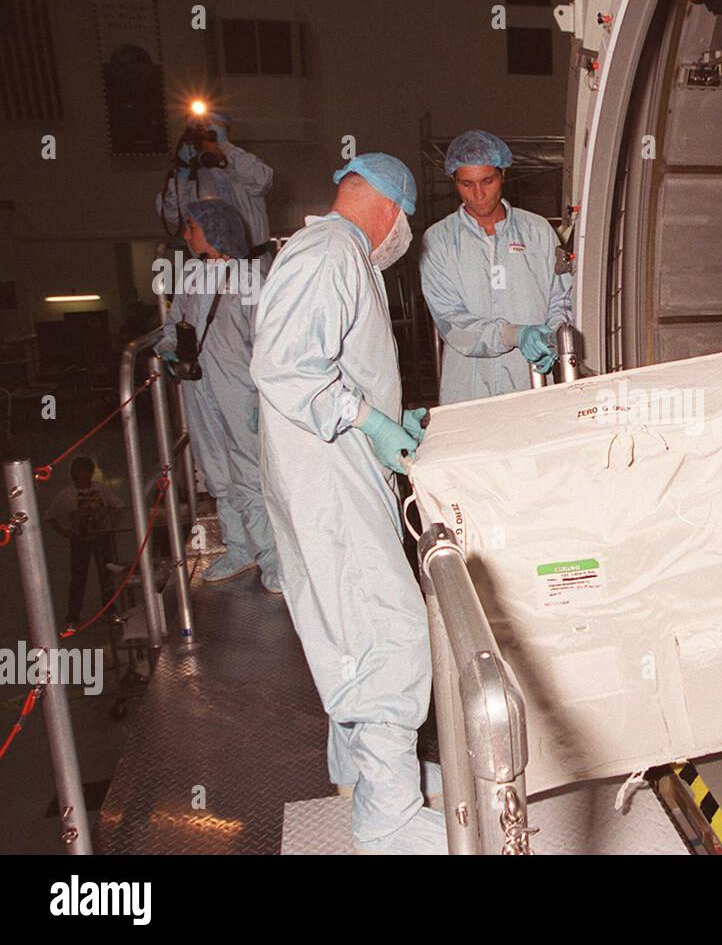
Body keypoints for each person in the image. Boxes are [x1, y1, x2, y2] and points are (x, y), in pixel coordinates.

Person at [250, 153, 445, 854]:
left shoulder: (330, 256)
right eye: (407, 222)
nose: (403, 237)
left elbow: (337, 364)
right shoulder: (331, 251)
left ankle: (369, 774)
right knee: (387, 627)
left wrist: (391, 413)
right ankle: (388, 812)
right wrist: (369, 419)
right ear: (390, 209)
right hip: (328, 474)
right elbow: (286, 364)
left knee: (347, 630)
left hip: (331, 469)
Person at [156, 197, 282, 593]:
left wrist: (264, 397)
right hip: (199, 389)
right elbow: (172, 327)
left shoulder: (250, 278)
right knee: (216, 471)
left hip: (240, 391)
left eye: (192, 227)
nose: (187, 235)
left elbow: (267, 340)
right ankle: (239, 548)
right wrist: (171, 349)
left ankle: (273, 559)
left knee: (250, 473)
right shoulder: (190, 277)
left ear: (213, 231)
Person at [419, 129, 572, 404]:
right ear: (454, 181)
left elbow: (561, 298)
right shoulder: (438, 240)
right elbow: (450, 319)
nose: (478, 194)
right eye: (467, 184)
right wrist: (514, 334)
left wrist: (549, 338)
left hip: (530, 378)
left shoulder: (538, 231)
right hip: (468, 386)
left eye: (487, 181)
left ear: (503, 174)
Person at [156, 109, 273, 266]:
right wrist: (182, 174)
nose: (205, 140)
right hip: (210, 270)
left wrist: (225, 148)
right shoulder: (190, 180)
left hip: (253, 265)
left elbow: (263, 180)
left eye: (210, 133)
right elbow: (171, 214)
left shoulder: (240, 167)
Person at [44, 457, 123, 630]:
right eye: (80, 472)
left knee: (106, 574)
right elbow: (50, 516)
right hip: (79, 540)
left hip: (101, 537)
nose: (84, 476)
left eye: (86, 471)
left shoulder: (101, 489)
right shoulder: (66, 495)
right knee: (78, 578)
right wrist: (64, 532)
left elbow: (118, 506)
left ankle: (109, 609)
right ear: (73, 475)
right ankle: (73, 615)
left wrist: (110, 526)